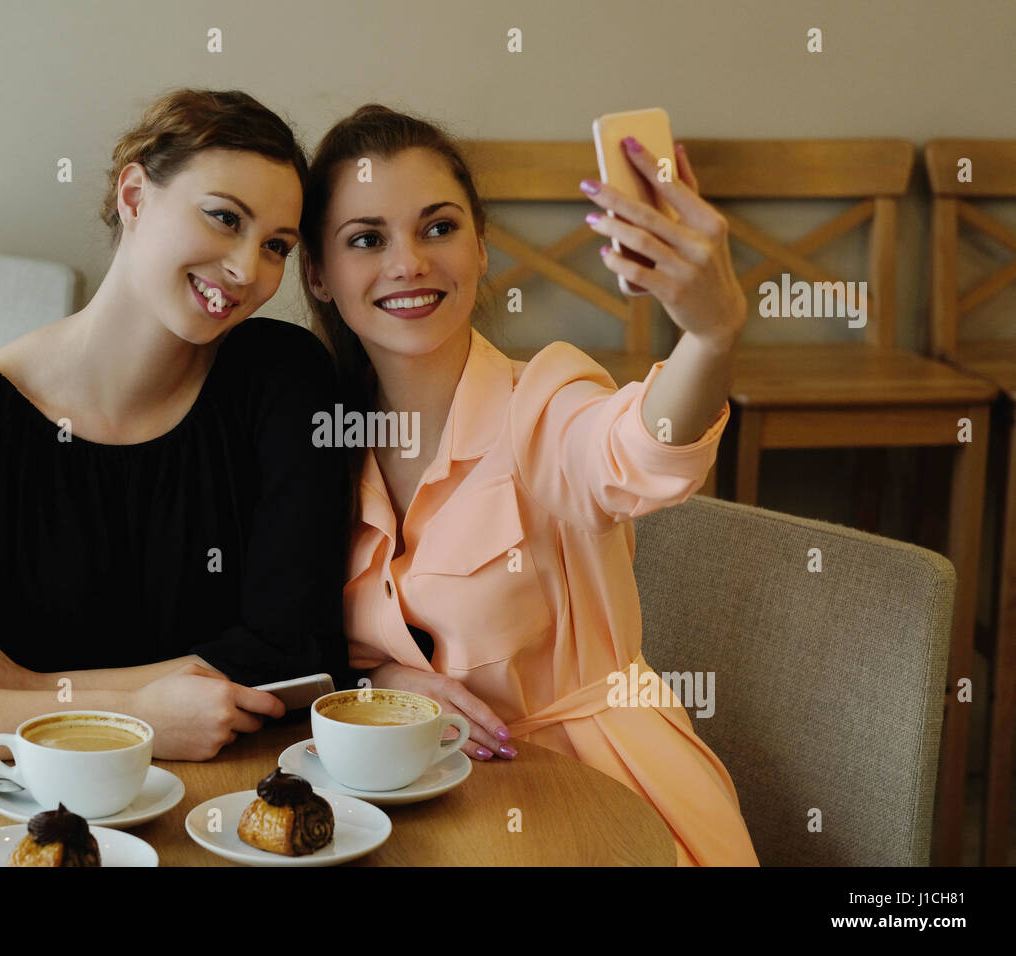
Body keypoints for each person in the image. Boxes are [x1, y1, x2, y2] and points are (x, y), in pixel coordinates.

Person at [0, 89, 351, 810]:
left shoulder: (284, 379)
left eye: (276, 245)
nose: (249, 269)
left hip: (226, 812)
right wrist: (146, 714)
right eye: (224, 218)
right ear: (134, 194)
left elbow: (297, 656)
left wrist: (27, 688)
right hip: (8, 818)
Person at [298, 104, 759, 866]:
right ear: (319, 272)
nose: (408, 261)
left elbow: (643, 447)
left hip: (600, 803)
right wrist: (380, 675)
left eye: (439, 227)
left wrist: (712, 334)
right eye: (367, 239)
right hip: (414, 810)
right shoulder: (325, 443)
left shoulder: (545, 403)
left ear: (482, 246)